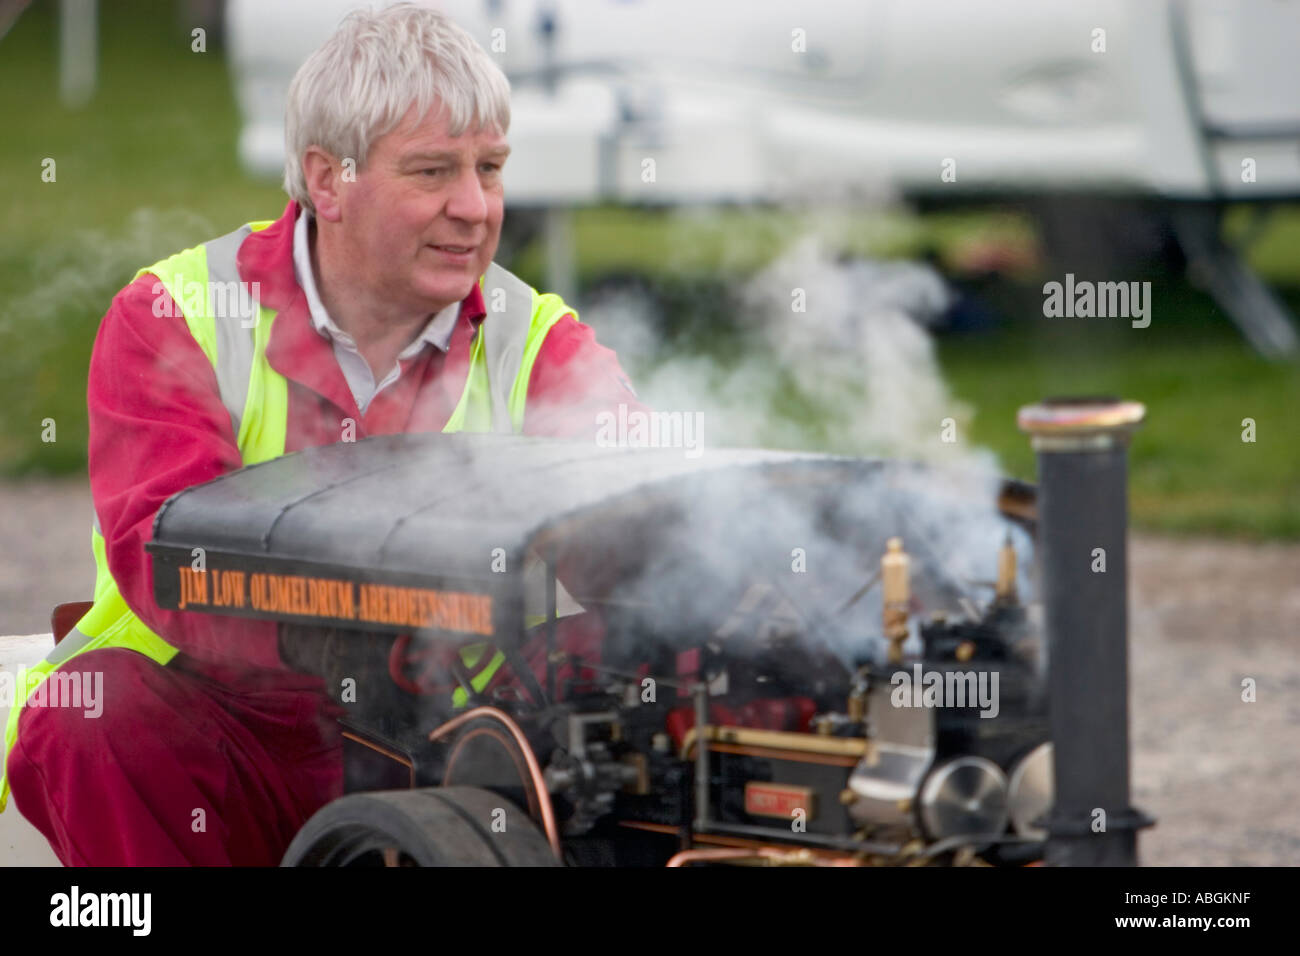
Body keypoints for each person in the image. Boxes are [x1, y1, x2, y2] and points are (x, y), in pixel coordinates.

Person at [0, 3, 646, 866]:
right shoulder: (177, 313)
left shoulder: (537, 337)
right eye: (431, 172)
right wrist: (391, 624)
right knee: (95, 711)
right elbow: (167, 567)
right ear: (328, 180)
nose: (474, 207)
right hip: (229, 727)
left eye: (490, 168)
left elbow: (650, 522)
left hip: (447, 737)